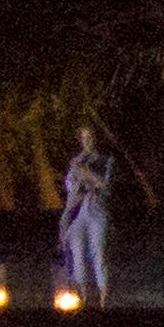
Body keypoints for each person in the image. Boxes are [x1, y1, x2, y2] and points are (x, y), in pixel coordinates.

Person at [57, 122, 121, 306]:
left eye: (90, 138)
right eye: (84, 138)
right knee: (77, 254)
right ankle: (82, 299)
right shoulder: (76, 161)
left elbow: (106, 187)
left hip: (96, 209)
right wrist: (79, 178)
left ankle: (102, 301)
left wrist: (88, 175)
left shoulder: (106, 161)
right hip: (78, 212)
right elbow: (71, 187)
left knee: (98, 253)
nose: (87, 142)